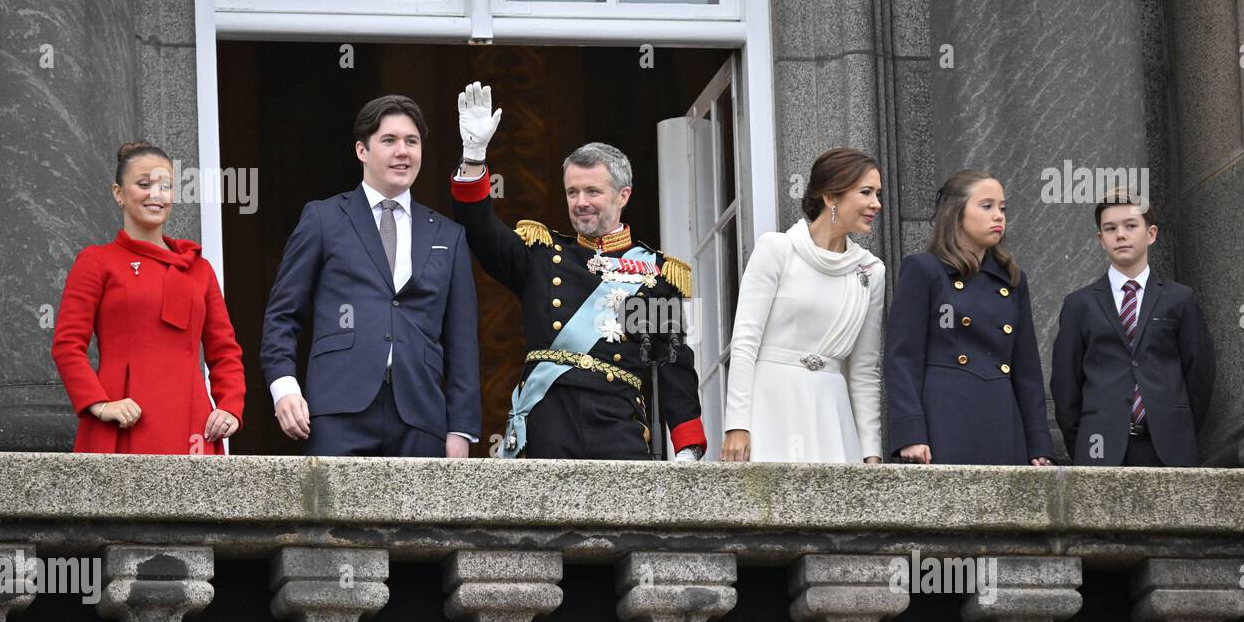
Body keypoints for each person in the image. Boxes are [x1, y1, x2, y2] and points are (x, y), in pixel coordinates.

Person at [449, 83, 706, 460]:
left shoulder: (655, 276)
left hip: (618, 429)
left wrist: (687, 448)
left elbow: (673, 366)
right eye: (572, 193)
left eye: (592, 192)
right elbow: (481, 230)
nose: (581, 203)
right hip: (547, 425)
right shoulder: (540, 255)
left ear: (624, 196)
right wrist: (474, 157)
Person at [261, 95, 481, 457]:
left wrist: (461, 427)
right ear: (362, 150)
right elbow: (283, 315)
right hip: (337, 410)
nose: (403, 152)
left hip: (421, 415)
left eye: (412, 141)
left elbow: (462, 341)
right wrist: (284, 387)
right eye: (389, 140)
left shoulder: (448, 235)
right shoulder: (323, 218)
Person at [52, 142, 245, 454]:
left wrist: (230, 406)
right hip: (122, 421)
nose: (157, 195)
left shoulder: (199, 269)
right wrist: (100, 404)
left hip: (193, 424)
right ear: (119, 193)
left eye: (166, 186)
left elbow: (225, 352)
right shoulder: (97, 261)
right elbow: (66, 345)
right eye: (144, 184)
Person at [721, 148, 886, 463]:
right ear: (831, 197)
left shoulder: (871, 271)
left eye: (877, 194)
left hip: (831, 415)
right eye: (866, 192)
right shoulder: (777, 249)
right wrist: (737, 425)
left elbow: (864, 369)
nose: (875, 204)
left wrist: (870, 453)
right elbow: (745, 341)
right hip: (771, 406)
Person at [884, 169, 1053, 465]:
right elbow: (902, 358)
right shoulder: (924, 270)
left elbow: (1027, 369)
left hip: (1002, 420)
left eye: (1002, 208)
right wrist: (910, 432)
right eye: (986, 206)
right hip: (944, 421)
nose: (998, 215)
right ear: (955, 213)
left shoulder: (1012, 280)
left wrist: (1039, 444)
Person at [1050, 189, 1215, 466]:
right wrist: (1082, 440)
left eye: (1130, 225)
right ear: (1101, 240)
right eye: (1110, 229)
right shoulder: (1079, 304)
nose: (1121, 235)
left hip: (1168, 446)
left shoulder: (1179, 298)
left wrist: (1180, 426)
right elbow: (1066, 383)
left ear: (1151, 233)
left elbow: (1199, 372)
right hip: (1099, 447)